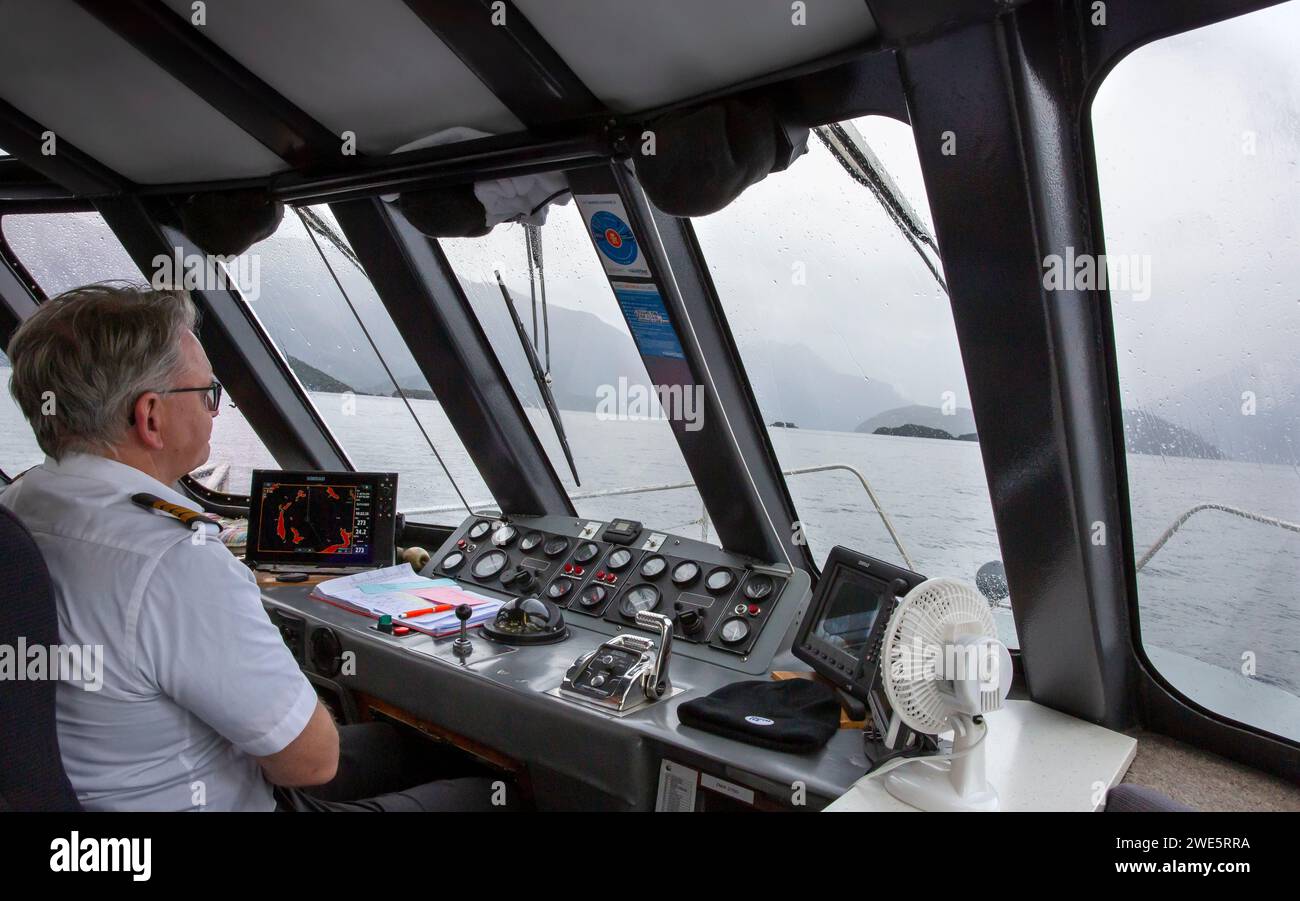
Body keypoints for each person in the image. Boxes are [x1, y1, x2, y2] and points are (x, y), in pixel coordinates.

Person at [1, 283, 510, 812]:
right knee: (489, 795)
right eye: (206, 394)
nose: (214, 411)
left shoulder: (19, 506)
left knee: (400, 746)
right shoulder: (173, 559)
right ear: (151, 417)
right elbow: (311, 763)